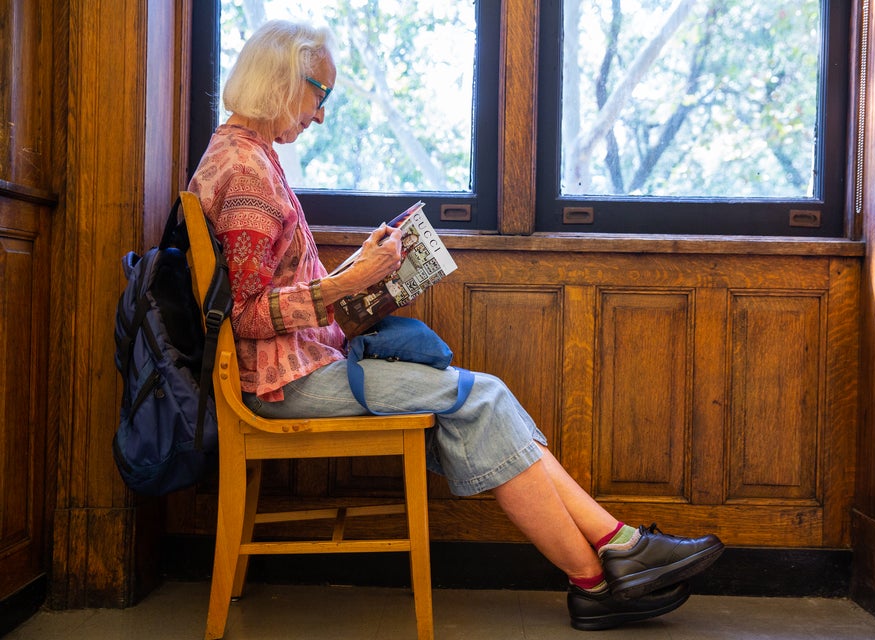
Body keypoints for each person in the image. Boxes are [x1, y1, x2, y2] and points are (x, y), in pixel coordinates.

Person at [188, 19, 724, 631]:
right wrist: (346, 284)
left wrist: (366, 274)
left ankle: (615, 555)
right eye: (320, 94)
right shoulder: (247, 176)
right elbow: (247, 316)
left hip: (307, 364)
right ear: (284, 79)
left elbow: (273, 291)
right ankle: (600, 572)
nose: (320, 115)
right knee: (485, 397)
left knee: (484, 399)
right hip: (287, 383)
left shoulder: (243, 156)